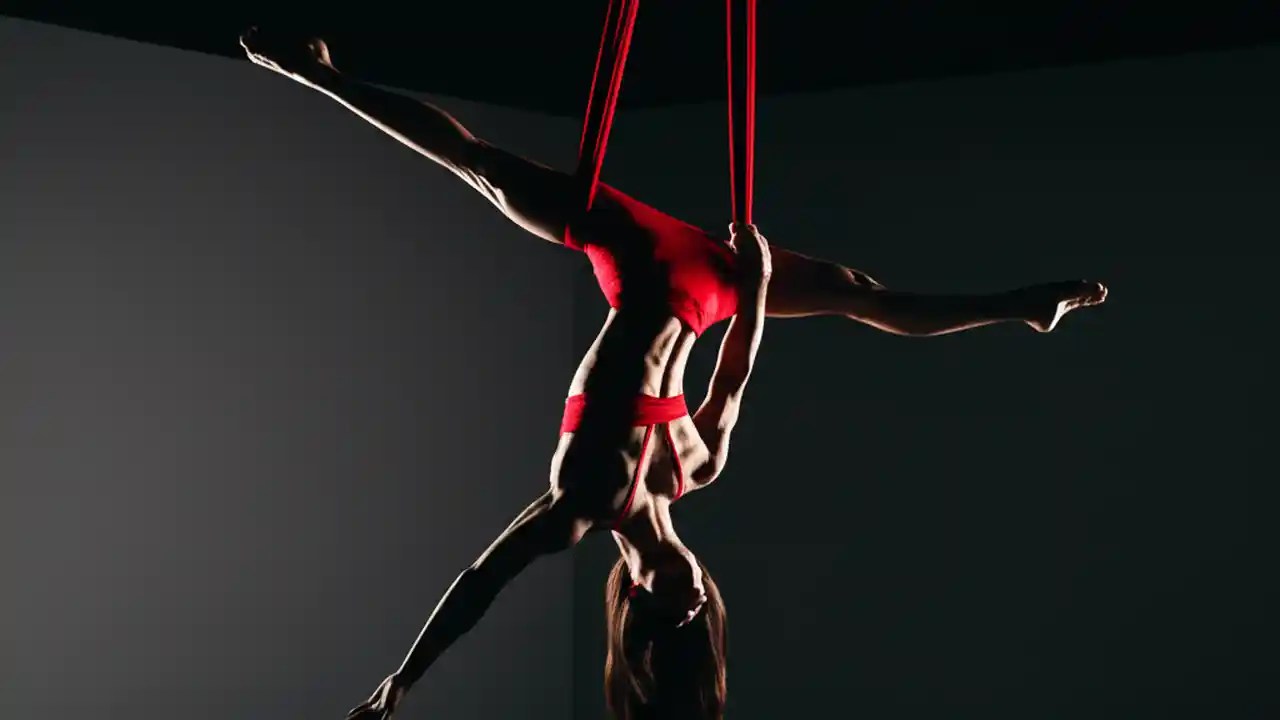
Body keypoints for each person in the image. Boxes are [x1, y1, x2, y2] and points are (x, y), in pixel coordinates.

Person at [237, 29, 1108, 720]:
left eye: (663, 614)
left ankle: (315, 73)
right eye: (700, 617)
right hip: (715, 289)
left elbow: (478, 587)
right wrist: (757, 286)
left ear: (634, 607)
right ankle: (1017, 306)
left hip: (636, 257)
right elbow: (733, 377)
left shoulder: (582, 503)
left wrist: (400, 682)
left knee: (483, 167)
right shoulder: (700, 470)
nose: (686, 598)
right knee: (858, 294)